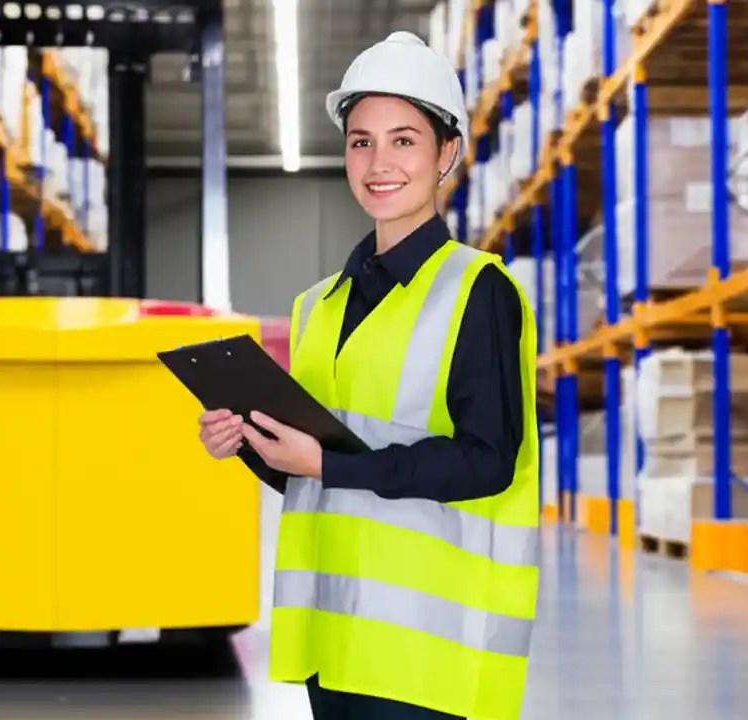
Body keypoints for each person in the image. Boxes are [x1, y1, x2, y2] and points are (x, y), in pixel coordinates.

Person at [197, 31, 539, 720]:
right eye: (361, 141)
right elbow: (316, 472)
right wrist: (247, 444)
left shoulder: (478, 290)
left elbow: (488, 462)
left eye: (404, 140)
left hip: (430, 653)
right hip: (335, 638)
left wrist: (324, 462)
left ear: (447, 153)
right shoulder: (316, 306)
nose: (379, 162)